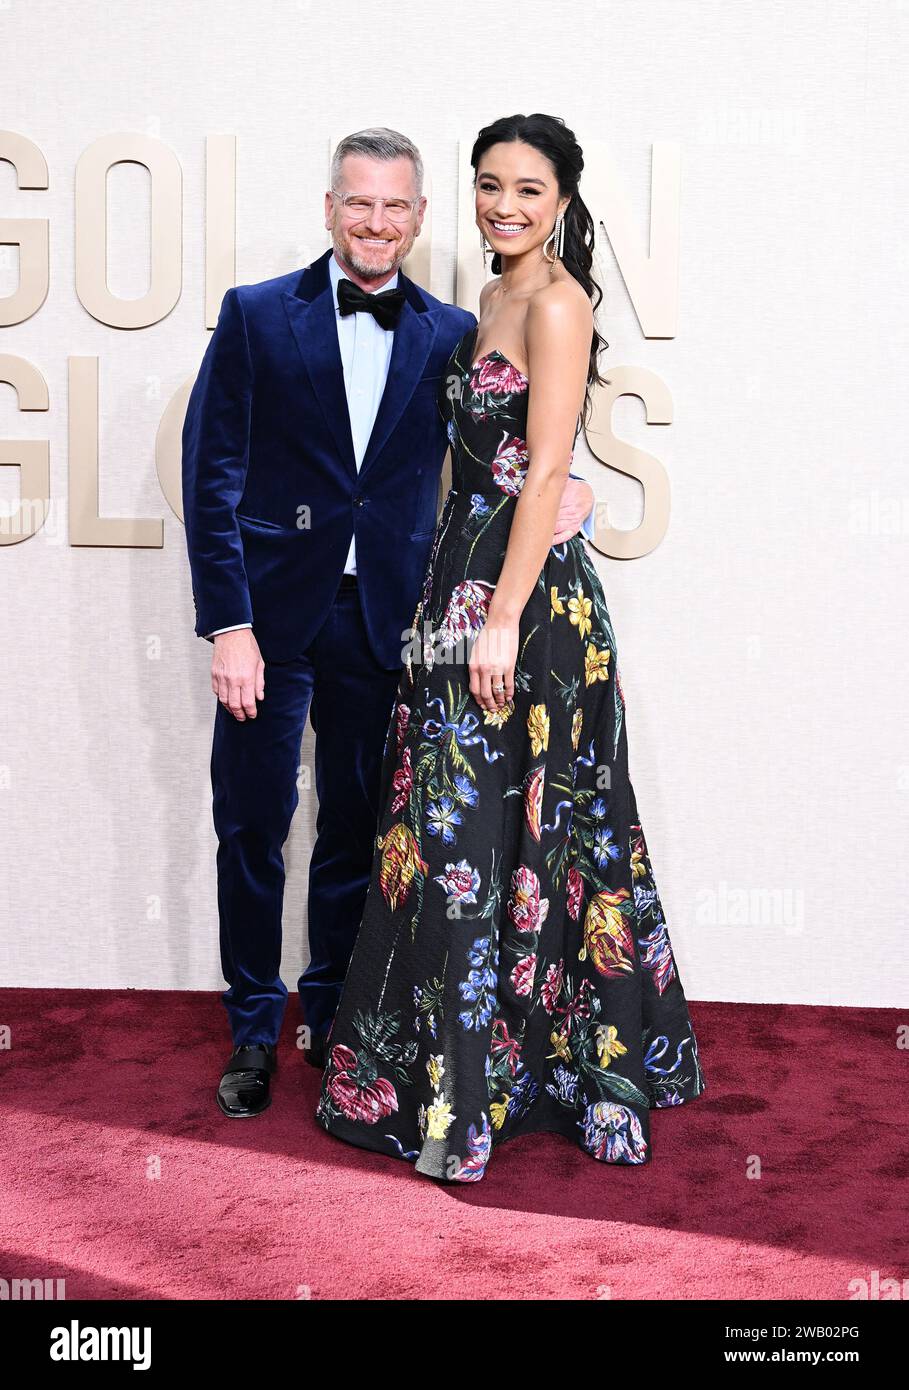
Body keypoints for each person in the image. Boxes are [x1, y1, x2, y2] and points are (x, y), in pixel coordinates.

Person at [315, 113, 706, 1179]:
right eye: (489, 185)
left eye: (529, 190)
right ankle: (464, 1080)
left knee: (539, 838)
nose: (505, 206)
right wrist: (455, 599)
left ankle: (561, 1081)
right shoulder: (493, 297)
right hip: (464, 583)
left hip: (525, 611)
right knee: (454, 836)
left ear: (563, 203)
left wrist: (496, 616)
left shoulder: (561, 304)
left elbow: (543, 473)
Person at [181, 127, 596, 1118]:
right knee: (252, 824)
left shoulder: (452, 329)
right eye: (357, 203)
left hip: (392, 617)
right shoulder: (254, 317)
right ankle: (250, 1027)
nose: (376, 222)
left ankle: (328, 1011)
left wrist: (573, 486)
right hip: (272, 621)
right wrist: (227, 623)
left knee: (361, 829)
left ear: (419, 217)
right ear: (331, 209)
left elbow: (512, 436)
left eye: (396, 206)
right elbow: (212, 477)